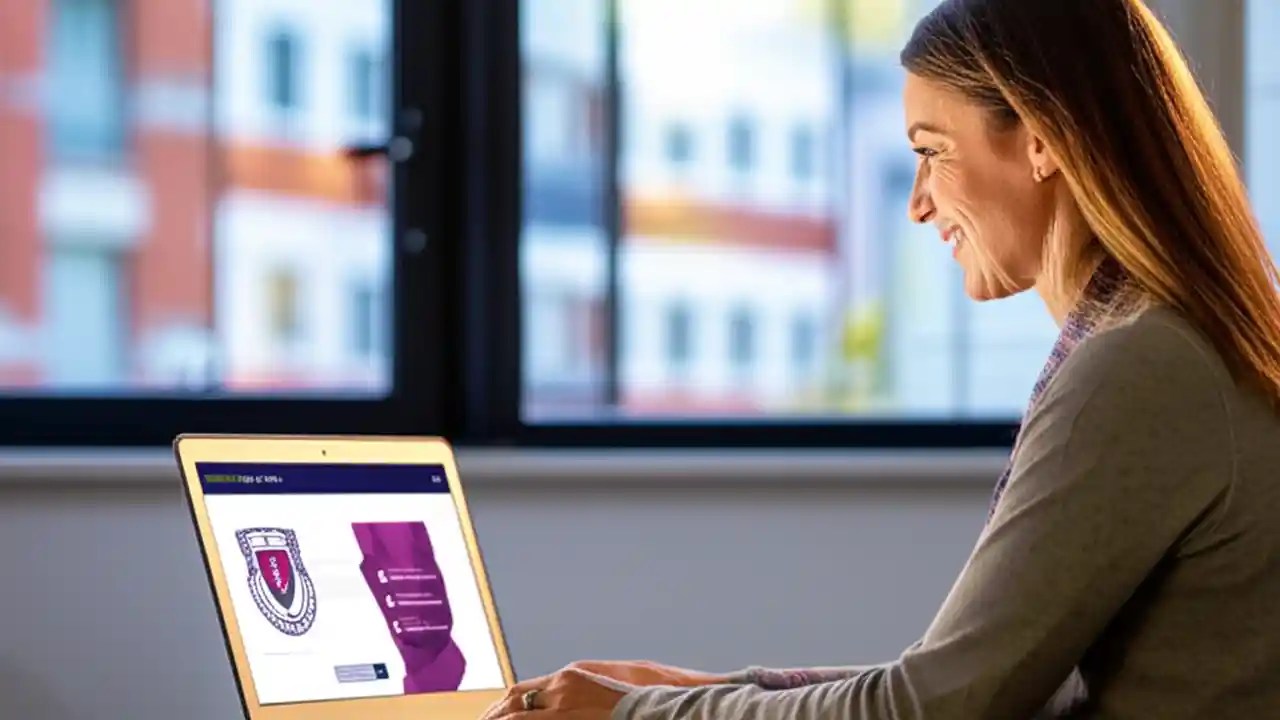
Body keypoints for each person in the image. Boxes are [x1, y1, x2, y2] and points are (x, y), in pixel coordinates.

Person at [483, 0, 1280, 716]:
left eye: (932, 150)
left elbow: (944, 704)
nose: (917, 201)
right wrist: (697, 694)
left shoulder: (1139, 367)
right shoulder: (1175, 341)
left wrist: (635, 716)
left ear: (1041, 137)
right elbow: (986, 679)